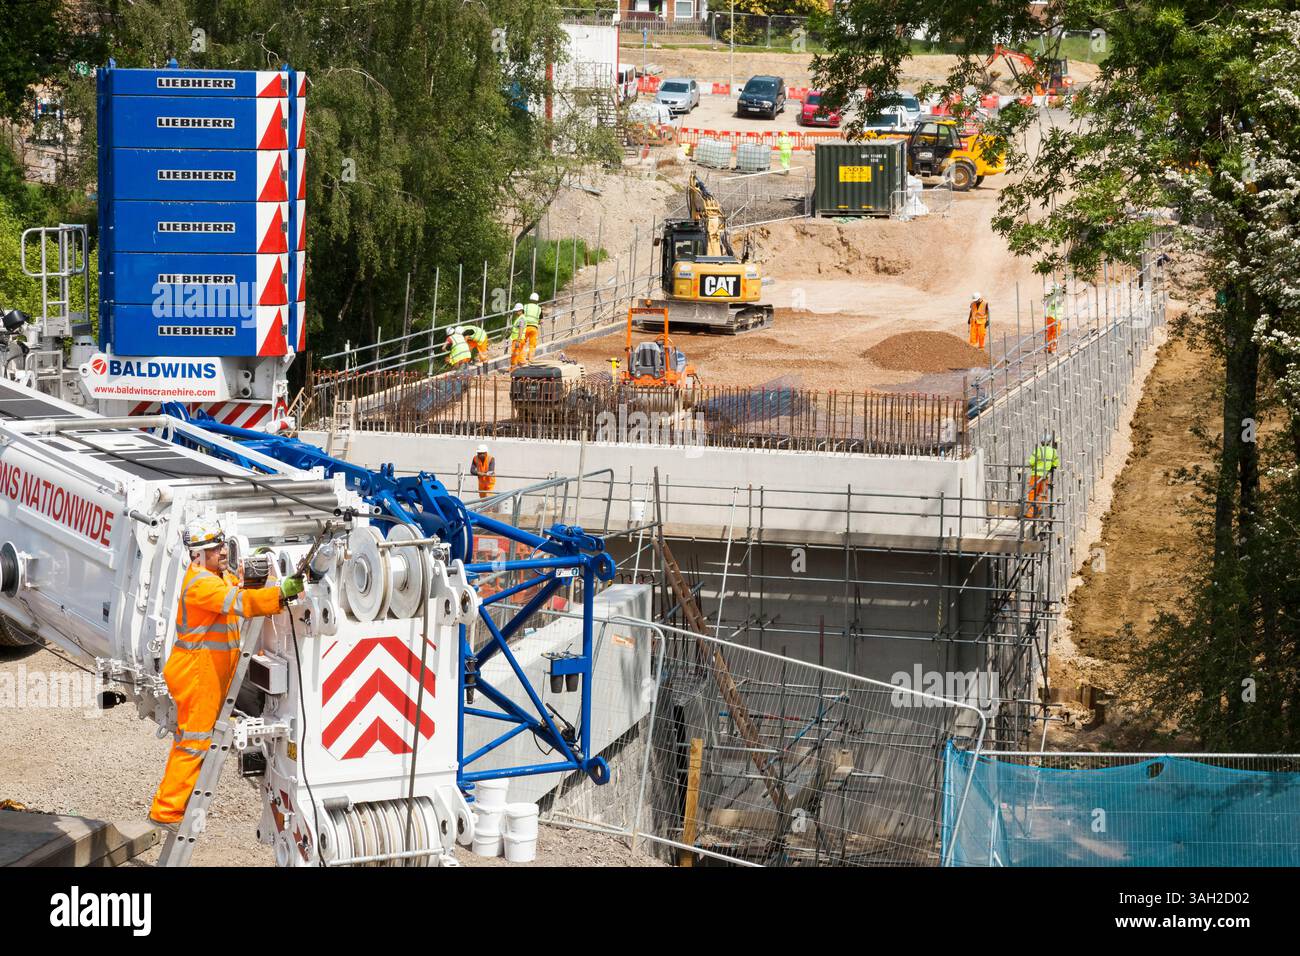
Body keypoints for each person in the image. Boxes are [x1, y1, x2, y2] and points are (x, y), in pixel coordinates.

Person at [149, 520, 302, 829]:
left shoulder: (214, 576)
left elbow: (237, 582)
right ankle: (166, 812)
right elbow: (241, 602)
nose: (222, 551)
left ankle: (174, 806)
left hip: (204, 672)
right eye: (216, 548)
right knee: (193, 742)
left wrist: (257, 564)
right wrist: (279, 595)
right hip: (197, 674)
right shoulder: (201, 584)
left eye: (222, 545)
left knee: (195, 741)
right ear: (198, 555)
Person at [1026, 432, 1060, 520]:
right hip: (1045, 476)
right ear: (1049, 442)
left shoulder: (1038, 450)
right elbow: (1055, 464)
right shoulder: (1053, 451)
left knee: (1032, 493)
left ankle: (1030, 513)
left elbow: (1031, 462)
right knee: (1042, 494)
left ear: (1041, 442)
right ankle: (1039, 511)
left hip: (1035, 475)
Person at [522, 292, 542, 363]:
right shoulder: (539, 309)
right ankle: (531, 359)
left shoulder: (525, 306)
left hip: (525, 327)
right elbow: (541, 320)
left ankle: (523, 359)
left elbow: (521, 316)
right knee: (532, 344)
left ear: (530, 299)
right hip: (534, 328)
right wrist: (539, 322)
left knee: (523, 343)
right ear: (537, 300)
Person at [1043, 284, 1062, 355]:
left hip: (1051, 317)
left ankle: (1050, 348)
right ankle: (1052, 348)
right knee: (1054, 333)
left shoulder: (1050, 298)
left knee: (1051, 333)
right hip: (1054, 318)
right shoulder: (1056, 298)